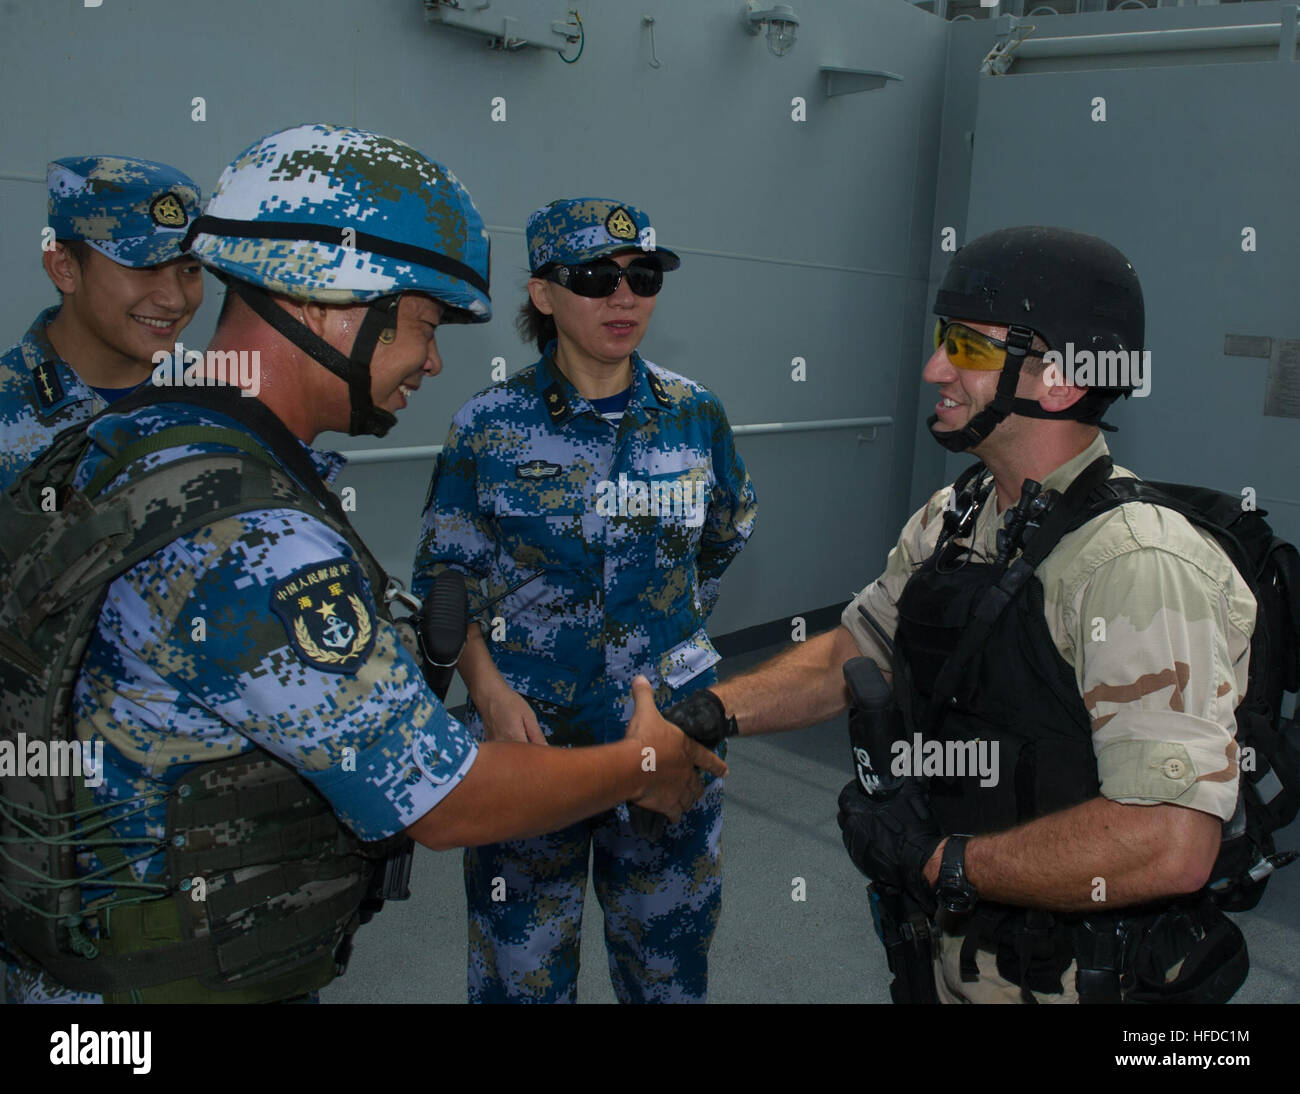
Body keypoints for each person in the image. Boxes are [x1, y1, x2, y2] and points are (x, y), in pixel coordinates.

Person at [0, 128, 722, 1005]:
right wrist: (644, 765)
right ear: (327, 305)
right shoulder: (250, 532)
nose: (432, 357)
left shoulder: (139, 437)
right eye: (421, 323)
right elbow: (445, 799)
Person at [685, 226, 1256, 1003]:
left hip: (1072, 979)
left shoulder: (1135, 566)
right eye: (940, 340)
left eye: (967, 347)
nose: (934, 369)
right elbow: (857, 651)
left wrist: (941, 863)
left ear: (1056, 381)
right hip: (949, 952)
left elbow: (1169, 841)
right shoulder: (958, 515)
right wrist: (710, 713)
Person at [413, 197, 758, 1003]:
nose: (624, 297)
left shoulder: (694, 415)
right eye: (597, 279)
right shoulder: (488, 426)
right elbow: (446, 579)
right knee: (520, 970)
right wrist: (490, 693)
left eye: (642, 277)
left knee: (668, 967)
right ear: (543, 295)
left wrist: (670, 640)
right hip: (531, 739)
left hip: (665, 735)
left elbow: (726, 532)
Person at [0, 155, 204, 491]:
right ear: (64, 267)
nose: (175, 299)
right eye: (144, 268)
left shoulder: (223, 398)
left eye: (190, 269)